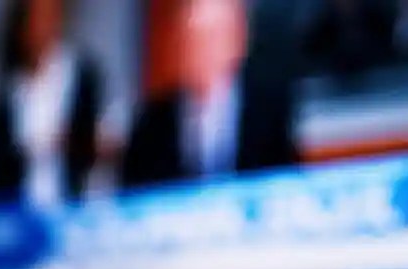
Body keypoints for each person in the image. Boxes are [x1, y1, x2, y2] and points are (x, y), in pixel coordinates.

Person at [121, 0, 296, 189]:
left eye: (210, 39)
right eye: (190, 40)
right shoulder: (153, 120)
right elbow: (133, 193)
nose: (197, 51)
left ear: (237, 41)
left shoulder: (267, 111)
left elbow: (285, 185)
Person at [0, 0, 102, 206]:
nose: (40, 27)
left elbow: (93, 140)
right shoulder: (9, 90)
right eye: (35, 18)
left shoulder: (82, 75)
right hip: (19, 209)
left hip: (72, 205)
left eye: (49, 17)